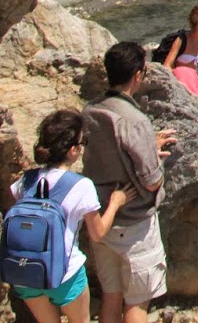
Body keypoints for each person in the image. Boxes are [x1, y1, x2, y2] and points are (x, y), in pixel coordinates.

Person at [7, 110, 133, 323]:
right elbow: (98, 233)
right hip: (65, 273)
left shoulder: (25, 181)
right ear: (74, 150)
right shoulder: (81, 185)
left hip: (25, 272)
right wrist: (115, 203)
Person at [82, 42, 177, 323]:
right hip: (135, 224)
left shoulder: (91, 111)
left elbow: (113, 148)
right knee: (137, 301)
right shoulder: (135, 119)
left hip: (103, 218)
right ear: (138, 75)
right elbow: (150, 181)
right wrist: (156, 157)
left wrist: (149, 143)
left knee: (111, 294)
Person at [162, 5, 198, 109]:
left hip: (192, 78)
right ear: (193, 27)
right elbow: (167, 64)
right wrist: (175, 83)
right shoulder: (181, 40)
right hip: (181, 77)